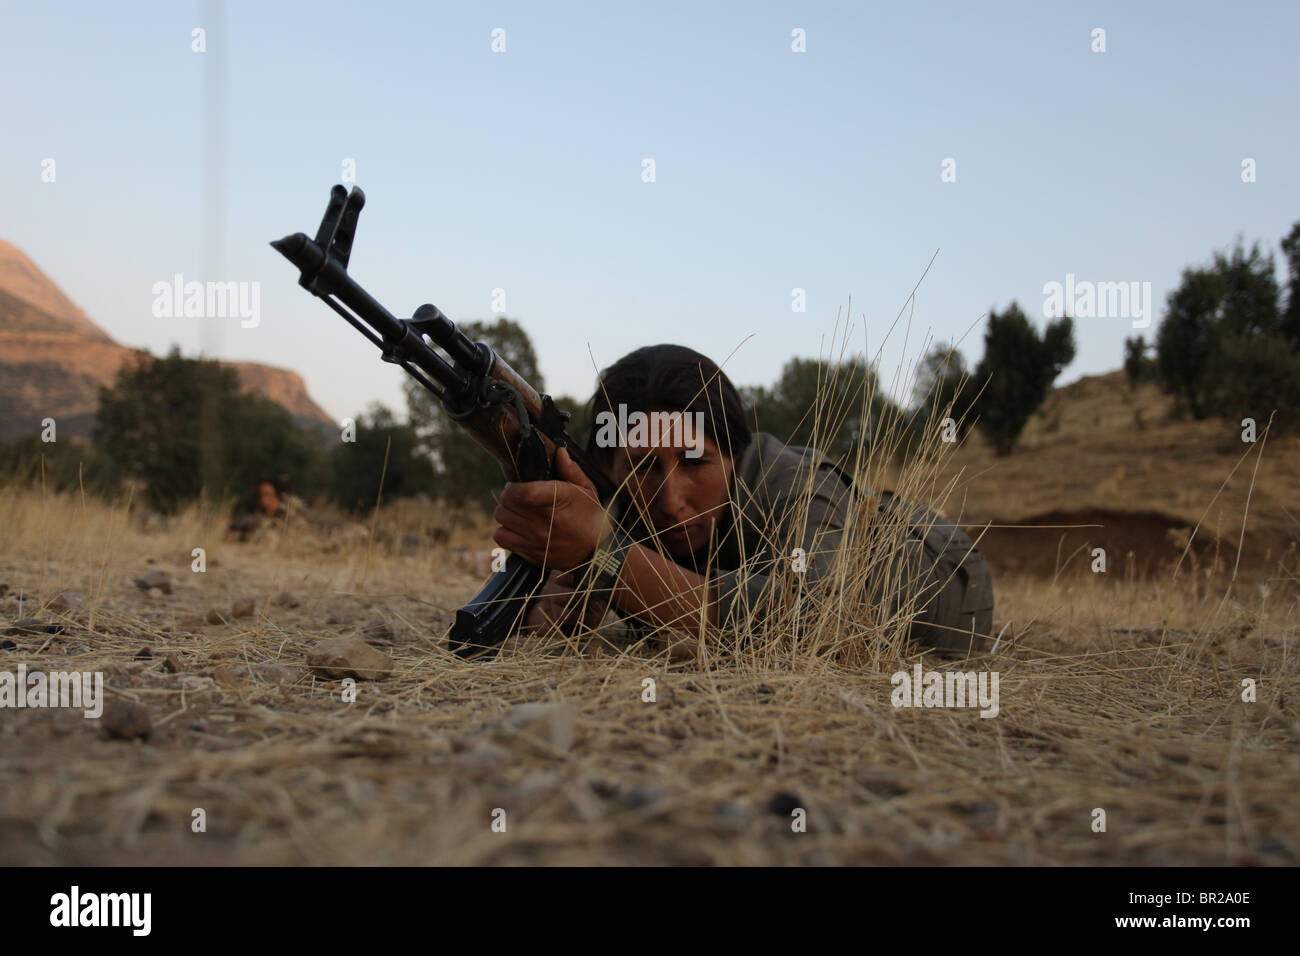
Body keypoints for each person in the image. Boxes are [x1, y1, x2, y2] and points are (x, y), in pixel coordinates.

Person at [491, 345, 994, 657]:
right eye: (642, 466)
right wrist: (552, 605)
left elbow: (812, 621)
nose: (670, 500)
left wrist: (607, 558)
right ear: (608, 470)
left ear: (736, 456)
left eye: (696, 464)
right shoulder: (614, 499)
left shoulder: (789, 480)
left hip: (937, 565)